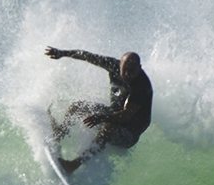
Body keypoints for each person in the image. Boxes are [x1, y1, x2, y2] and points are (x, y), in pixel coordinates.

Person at [44, 45, 153, 173]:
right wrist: (63, 53)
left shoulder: (141, 86)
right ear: (120, 65)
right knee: (77, 107)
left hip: (129, 133)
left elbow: (125, 116)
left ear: (139, 68)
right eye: (125, 70)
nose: (128, 74)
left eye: (132, 71)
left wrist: (100, 117)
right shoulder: (113, 65)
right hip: (113, 114)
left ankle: (74, 165)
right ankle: (60, 133)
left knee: (109, 126)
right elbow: (87, 56)